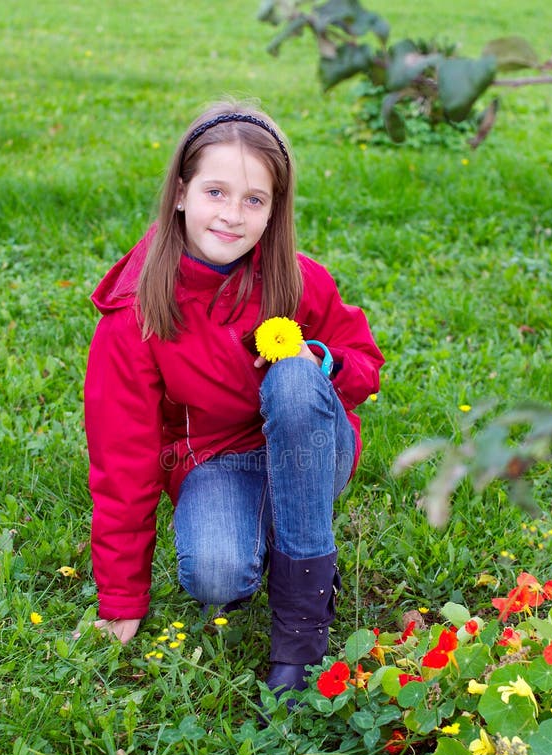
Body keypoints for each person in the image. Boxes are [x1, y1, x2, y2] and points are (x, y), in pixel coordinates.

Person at [83, 99, 385, 701]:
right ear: (180, 194)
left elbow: (367, 366)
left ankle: (300, 632)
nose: (231, 215)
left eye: (254, 200)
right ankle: (284, 532)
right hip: (217, 460)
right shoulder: (135, 315)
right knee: (217, 576)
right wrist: (121, 598)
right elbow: (124, 460)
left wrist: (322, 361)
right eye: (215, 192)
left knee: (295, 381)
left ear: (275, 212)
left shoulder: (299, 280)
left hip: (312, 444)